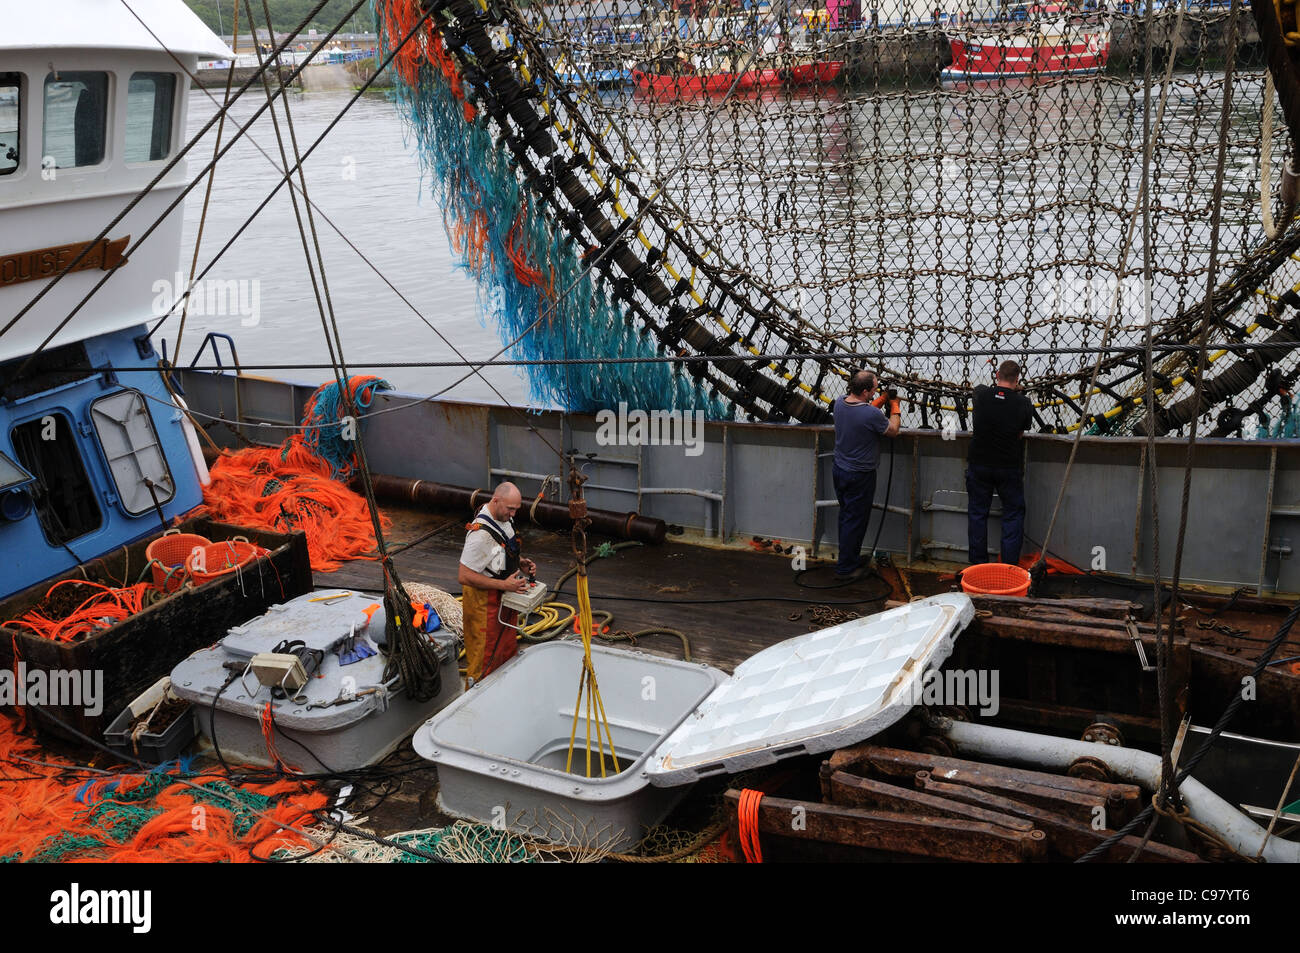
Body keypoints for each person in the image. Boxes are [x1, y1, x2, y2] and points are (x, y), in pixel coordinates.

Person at [458, 482, 537, 682]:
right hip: (484, 603)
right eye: (510, 509)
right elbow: (464, 576)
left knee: (506, 650)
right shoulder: (479, 535)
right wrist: (504, 585)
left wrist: (520, 562)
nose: (513, 514)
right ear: (496, 500)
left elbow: (498, 549)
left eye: (516, 510)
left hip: (504, 597)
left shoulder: (503, 519)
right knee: (484, 658)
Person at [831, 369, 901, 578]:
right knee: (856, 521)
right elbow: (893, 430)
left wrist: (881, 399)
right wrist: (895, 406)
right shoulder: (870, 414)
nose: (875, 391)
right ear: (864, 391)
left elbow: (865, 412)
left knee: (847, 517)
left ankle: (849, 558)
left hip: (840, 471)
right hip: (860, 476)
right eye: (874, 389)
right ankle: (845, 569)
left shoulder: (840, 402)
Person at [967, 360, 1034, 566]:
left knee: (978, 513)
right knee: (1012, 515)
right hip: (1008, 466)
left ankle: (978, 564)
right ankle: (1008, 567)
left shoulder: (981, 396)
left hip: (979, 465)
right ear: (1017, 379)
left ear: (997, 374)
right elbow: (1020, 433)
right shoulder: (1024, 403)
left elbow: (980, 389)